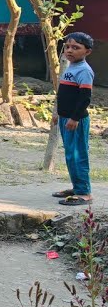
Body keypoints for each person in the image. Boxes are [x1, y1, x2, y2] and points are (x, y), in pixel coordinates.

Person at [55, 32, 96, 206]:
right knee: (70, 154)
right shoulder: (70, 67)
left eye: (76, 48)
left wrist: (74, 118)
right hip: (65, 118)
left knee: (78, 154)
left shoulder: (84, 71)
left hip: (75, 120)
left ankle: (84, 192)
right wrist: (58, 113)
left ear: (87, 52)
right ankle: (77, 187)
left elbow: (84, 98)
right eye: (68, 46)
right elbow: (64, 94)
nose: (69, 50)